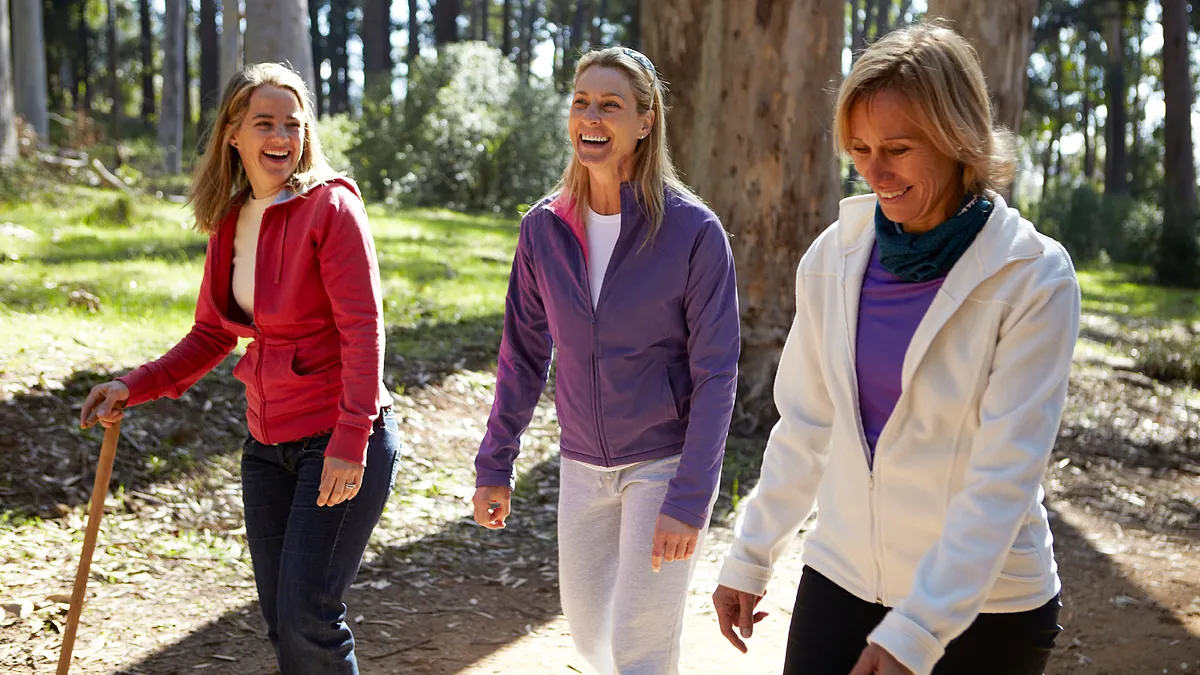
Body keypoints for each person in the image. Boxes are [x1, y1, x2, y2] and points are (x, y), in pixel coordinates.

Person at [711, 22, 1080, 675]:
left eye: (898, 148)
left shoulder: (1034, 277)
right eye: (858, 147)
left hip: (989, 604)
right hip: (842, 575)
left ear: (958, 139)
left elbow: (1004, 475)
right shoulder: (834, 258)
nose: (873, 171)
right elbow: (805, 426)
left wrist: (915, 630)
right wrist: (751, 552)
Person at [78, 62, 398, 675]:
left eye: (292, 124)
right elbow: (211, 334)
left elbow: (364, 330)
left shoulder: (331, 206)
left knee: (310, 615)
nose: (280, 136)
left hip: (338, 435)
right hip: (266, 444)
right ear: (232, 133)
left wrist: (351, 439)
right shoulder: (230, 219)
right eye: (264, 123)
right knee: (283, 620)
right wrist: (130, 385)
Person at [471, 47, 740, 674]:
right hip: (581, 468)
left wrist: (689, 498)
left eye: (610, 106)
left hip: (662, 468)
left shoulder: (693, 232)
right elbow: (523, 353)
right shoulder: (544, 228)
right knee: (593, 643)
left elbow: (716, 374)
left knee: (638, 652)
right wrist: (495, 462)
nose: (592, 117)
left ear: (645, 122)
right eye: (582, 102)